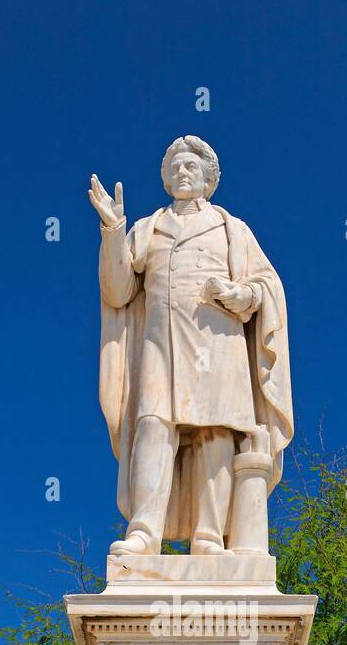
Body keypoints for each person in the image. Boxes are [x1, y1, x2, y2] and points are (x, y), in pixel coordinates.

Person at [90, 136, 293, 557]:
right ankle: (144, 532)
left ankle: (209, 535)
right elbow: (118, 291)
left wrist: (245, 297)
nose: (183, 172)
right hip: (159, 343)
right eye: (176, 167)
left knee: (216, 429)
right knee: (152, 424)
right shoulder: (147, 228)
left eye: (192, 167)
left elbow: (266, 283)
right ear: (166, 179)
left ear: (209, 179)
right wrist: (113, 231)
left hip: (218, 341)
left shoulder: (230, 228)